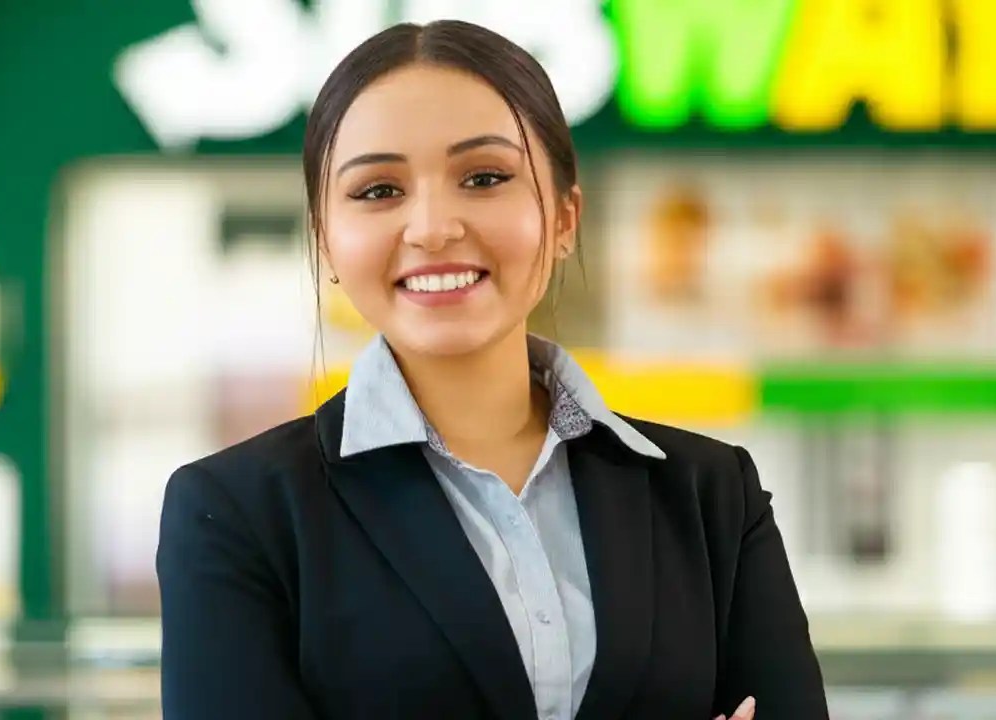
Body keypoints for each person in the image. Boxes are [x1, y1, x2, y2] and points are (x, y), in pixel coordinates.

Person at [156, 19, 829, 720]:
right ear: (325, 239)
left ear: (565, 219)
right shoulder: (237, 516)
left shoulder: (712, 497)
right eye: (378, 191)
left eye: (484, 177)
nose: (432, 227)